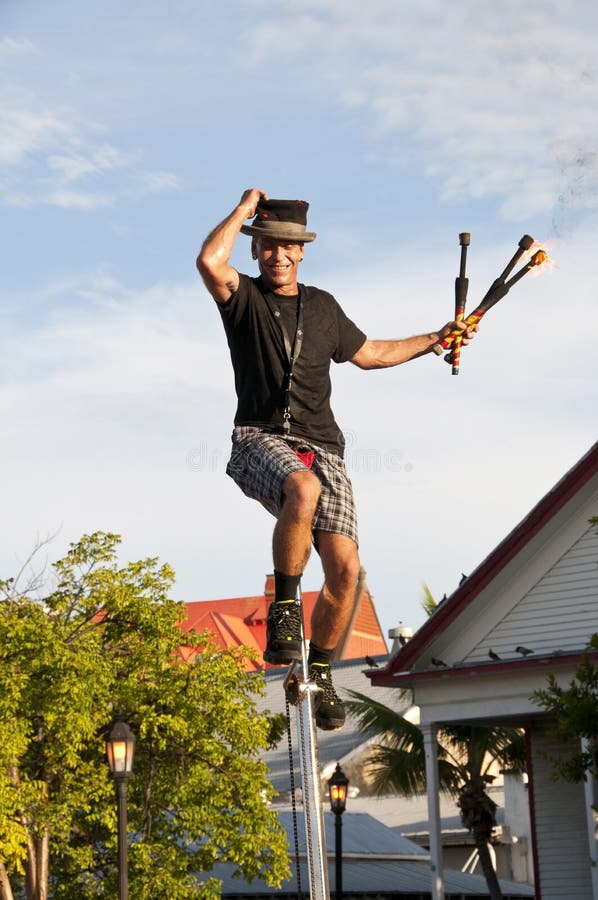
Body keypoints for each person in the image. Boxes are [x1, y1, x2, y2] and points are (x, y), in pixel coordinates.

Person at [197, 188, 476, 731]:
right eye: (268, 245)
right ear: (255, 250)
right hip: (259, 437)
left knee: (346, 568)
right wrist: (244, 210)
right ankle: (284, 609)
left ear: (302, 252)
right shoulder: (242, 298)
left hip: (324, 445)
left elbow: (371, 354)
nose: (278, 255)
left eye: (288, 247)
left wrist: (435, 338)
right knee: (301, 489)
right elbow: (210, 259)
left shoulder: (323, 307)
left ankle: (320, 671)